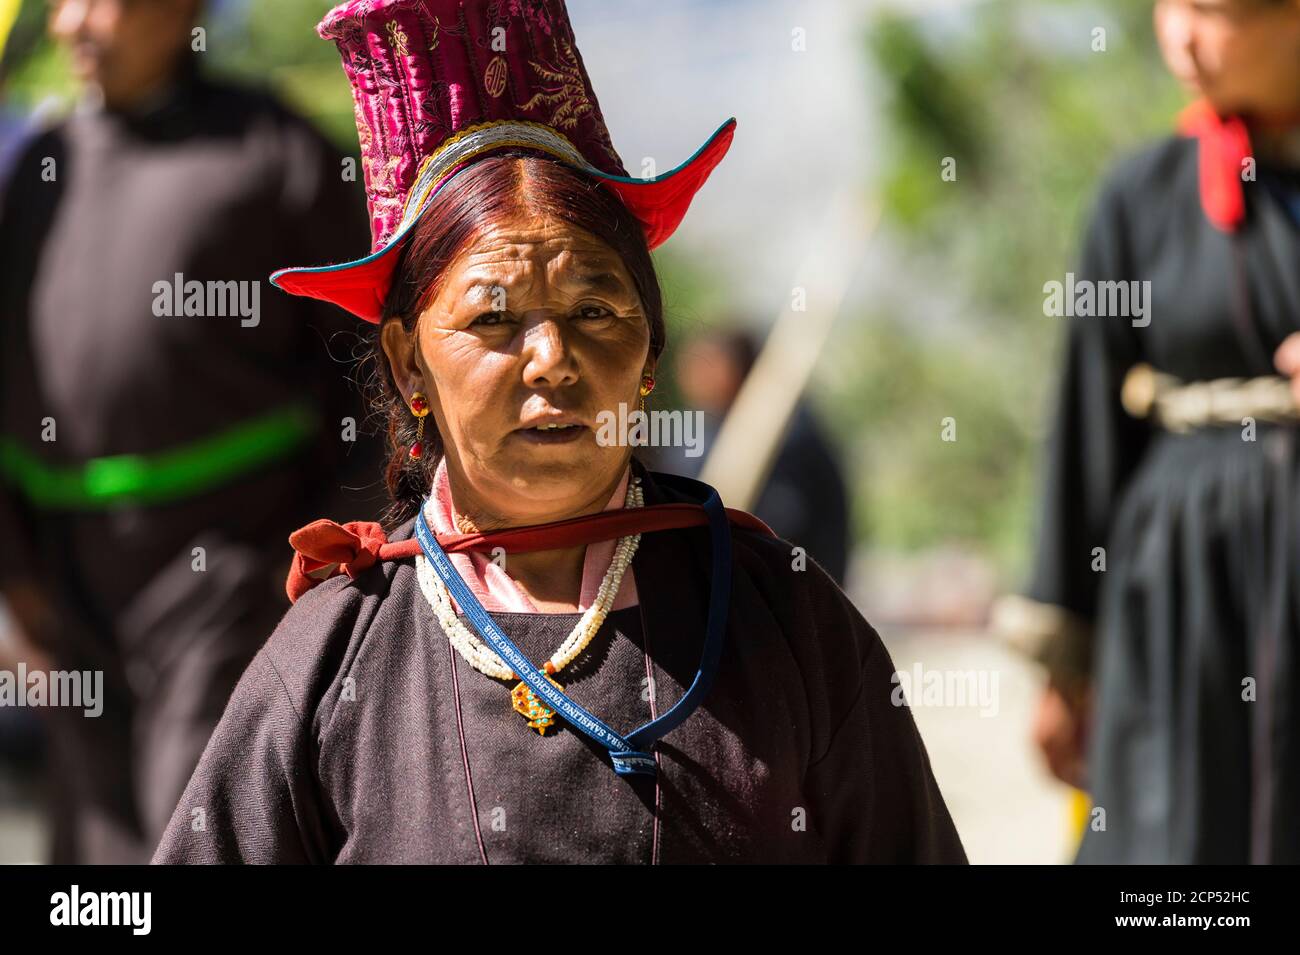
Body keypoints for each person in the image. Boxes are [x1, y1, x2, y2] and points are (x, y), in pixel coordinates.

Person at [151, 0, 966, 865]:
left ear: (650, 348)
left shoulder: (787, 622)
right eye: (493, 318)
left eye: (593, 308)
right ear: (407, 363)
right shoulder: (330, 660)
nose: (552, 358)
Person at [0, 0, 380, 863]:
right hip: (64, 577)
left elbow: (373, 371)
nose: (69, 25)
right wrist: (14, 565)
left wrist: (331, 563)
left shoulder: (278, 156)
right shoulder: (39, 165)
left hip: (224, 566)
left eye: (104, 1)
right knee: (92, 856)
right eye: (61, 1)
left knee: (195, 825)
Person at [994, 0, 1300, 863]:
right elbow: (1085, 427)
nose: (1178, 35)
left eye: (1209, 10)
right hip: (1181, 591)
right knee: (1174, 840)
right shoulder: (1143, 194)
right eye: (1168, 6)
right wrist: (1065, 661)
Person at [657, 327, 851, 585]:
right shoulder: (698, 433)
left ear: (737, 370)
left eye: (706, 363)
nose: (691, 375)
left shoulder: (790, 440)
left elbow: (789, 523)